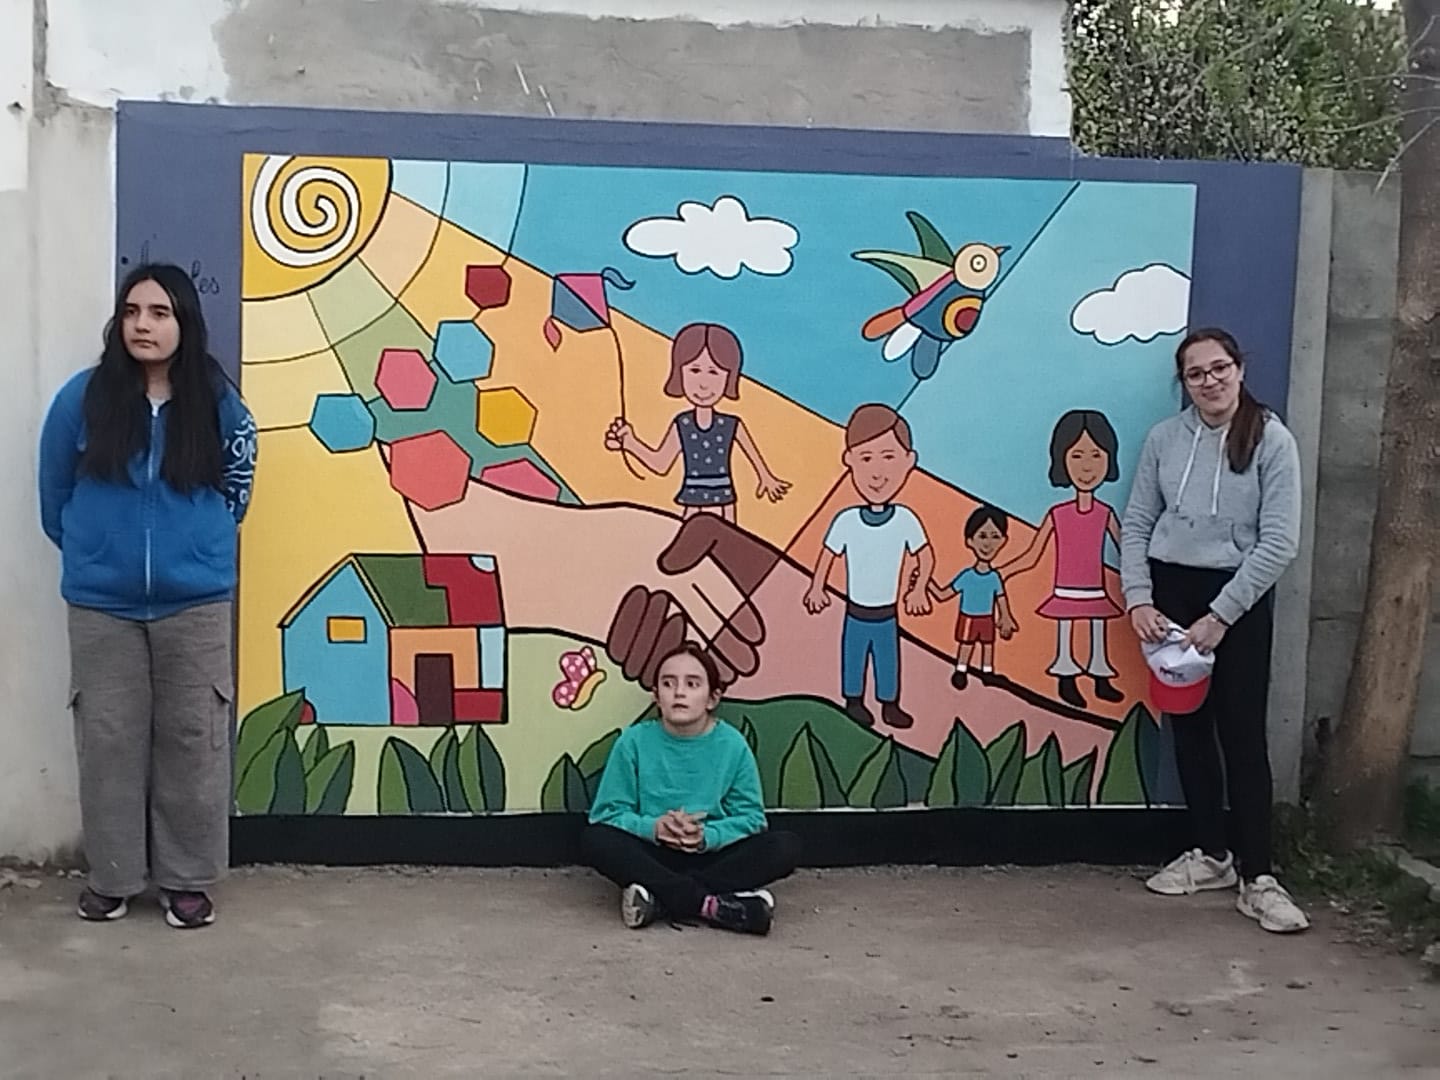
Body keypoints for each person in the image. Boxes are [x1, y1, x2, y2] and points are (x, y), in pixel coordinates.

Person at [38, 264, 257, 929]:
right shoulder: (83, 401)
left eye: (160, 313)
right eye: (133, 311)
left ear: (184, 324)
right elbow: (56, 498)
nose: (143, 325)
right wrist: (95, 552)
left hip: (195, 603)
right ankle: (113, 878)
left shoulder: (218, 403)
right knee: (108, 740)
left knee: (194, 737)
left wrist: (200, 548)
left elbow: (237, 491)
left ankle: (186, 880)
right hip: (104, 604)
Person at [1120, 327, 1307, 934]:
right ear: (1184, 383)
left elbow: (1279, 541)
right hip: (1171, 597)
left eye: (1219, 367)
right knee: (1190, 731)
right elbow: (1139, 521)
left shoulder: (1272, 441)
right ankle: (1210, 854)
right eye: (1196, 373)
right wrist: (1139, 599)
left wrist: (1222, 616)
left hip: (1238, 599)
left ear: (1240, 368)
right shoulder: (1164, 440)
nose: (1210, 380)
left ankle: (1261, 877)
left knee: (1242, 736)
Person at [580, 642, 800, 934]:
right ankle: (714, 905)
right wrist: (654, 828)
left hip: (712, 855)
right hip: (652, 852)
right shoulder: (633, 742)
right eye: (668, 684)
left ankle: (662, 900)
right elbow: (607, 813)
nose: (679, 692)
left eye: (692, 684)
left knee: (785, 846)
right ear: (656, 697)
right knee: (594, 840)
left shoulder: (732, 745)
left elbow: (752, 819)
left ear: (712, 698)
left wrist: (705, 837)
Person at [804, 403, 934, 730]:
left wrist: (918, 589)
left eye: (889, 457)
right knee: (854, 656)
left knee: (888, 659)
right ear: (849, 461)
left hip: (887, 611)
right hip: (856, 610)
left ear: (909, 461)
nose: (877, 472)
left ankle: (889, 704)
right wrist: (816, 586)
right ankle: (854, 700)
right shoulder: (846, 521)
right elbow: (828, 555)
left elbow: (926, 555)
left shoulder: (905, 520)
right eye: (866, 458)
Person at [1000, 409, 1125, 709]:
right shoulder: (1058, 514)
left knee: (1097, 629)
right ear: (1062, 460)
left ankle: (1100, 675)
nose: (1086, 466)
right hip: (1066, 588)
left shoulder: (1105, 514)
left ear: (1109, 459)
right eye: (1077, 456)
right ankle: (1066, 676)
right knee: (1066, 629)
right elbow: (1032, 555)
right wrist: (1000, 572)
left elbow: (1126, 550)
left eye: (1096, 455)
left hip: (1095, 589)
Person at [605, 322, 789, 524]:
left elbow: (752, 455)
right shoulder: (682, 424)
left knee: (726, 548)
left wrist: (766, 477)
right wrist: (630, 443)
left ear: (729, 377)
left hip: (724, 502)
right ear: (679, 373)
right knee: (687, 548)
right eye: (694, 370)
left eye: (713, 372)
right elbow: (661, 464)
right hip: (692, 500)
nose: (703, 383)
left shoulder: (731, 425)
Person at [928, 504, 1018, 689]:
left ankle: (987, 672)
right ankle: (961, 669)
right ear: (970, 541)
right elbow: (944, 595)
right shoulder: (967, 576)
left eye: (995, 537)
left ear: (1003, 540)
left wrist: (1006, 617)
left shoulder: (994, 577)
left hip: (987, 617)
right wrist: (927, 583)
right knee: (966, 644)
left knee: (988, 644)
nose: (988, 544)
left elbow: (1001, 599)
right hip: (968, 616)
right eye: (982, 536)